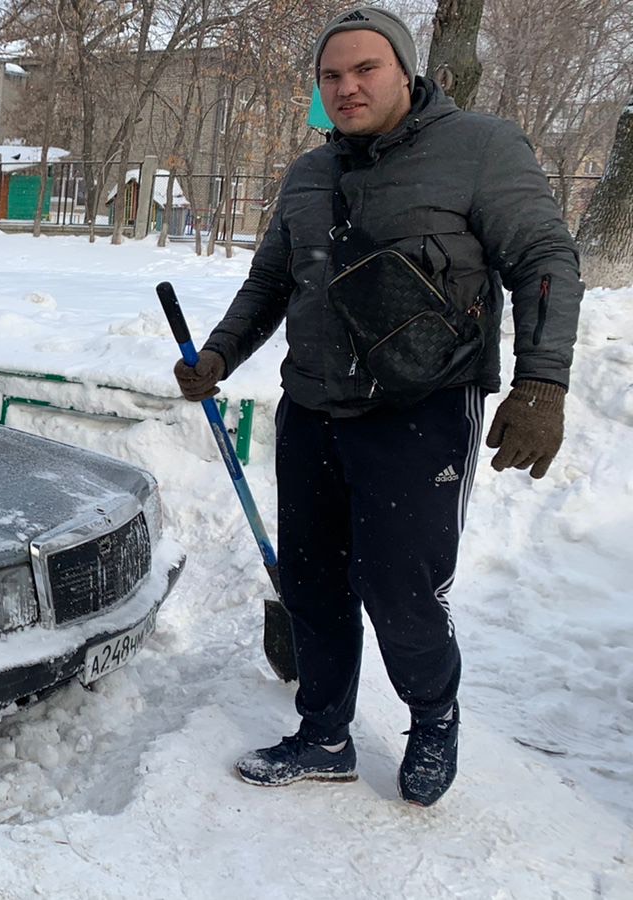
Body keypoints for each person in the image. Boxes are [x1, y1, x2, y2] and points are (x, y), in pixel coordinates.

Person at [173, 5, 582, 807]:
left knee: (401, 588)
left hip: (420, 409)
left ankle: (433, 719)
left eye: (365, 70)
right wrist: (220, 352)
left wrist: (543, 382)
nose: (347, 87)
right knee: (315, 584)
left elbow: (544, 259)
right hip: (313, 407)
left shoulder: (480, 148)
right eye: (331, 76)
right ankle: (323, 733)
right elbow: (271, 282)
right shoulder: (308, 173)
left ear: (406, 69)